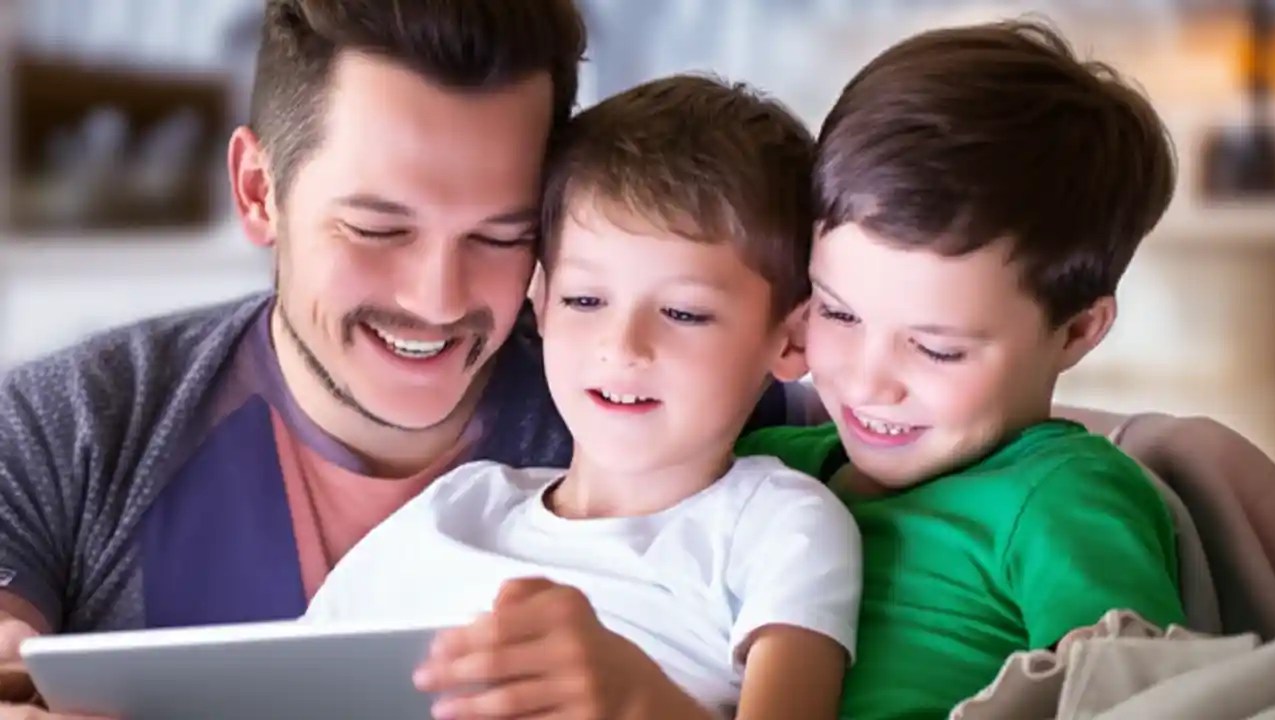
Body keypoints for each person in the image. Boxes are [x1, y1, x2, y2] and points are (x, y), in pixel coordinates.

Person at [304, 74, 861, 720]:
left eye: (683, 313)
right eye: (585, 300)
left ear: (792, 341)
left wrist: (638, 702)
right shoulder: (460, 507)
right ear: (540, 307)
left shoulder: (778, 528)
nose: (623, 346)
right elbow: (277, 681)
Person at [736, 20, 1188, 720]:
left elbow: (1140, 704)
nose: (866, 381)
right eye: (838, 313)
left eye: (937, 348)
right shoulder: (759, 465)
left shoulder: (1060, 499)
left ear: (1074, 331)